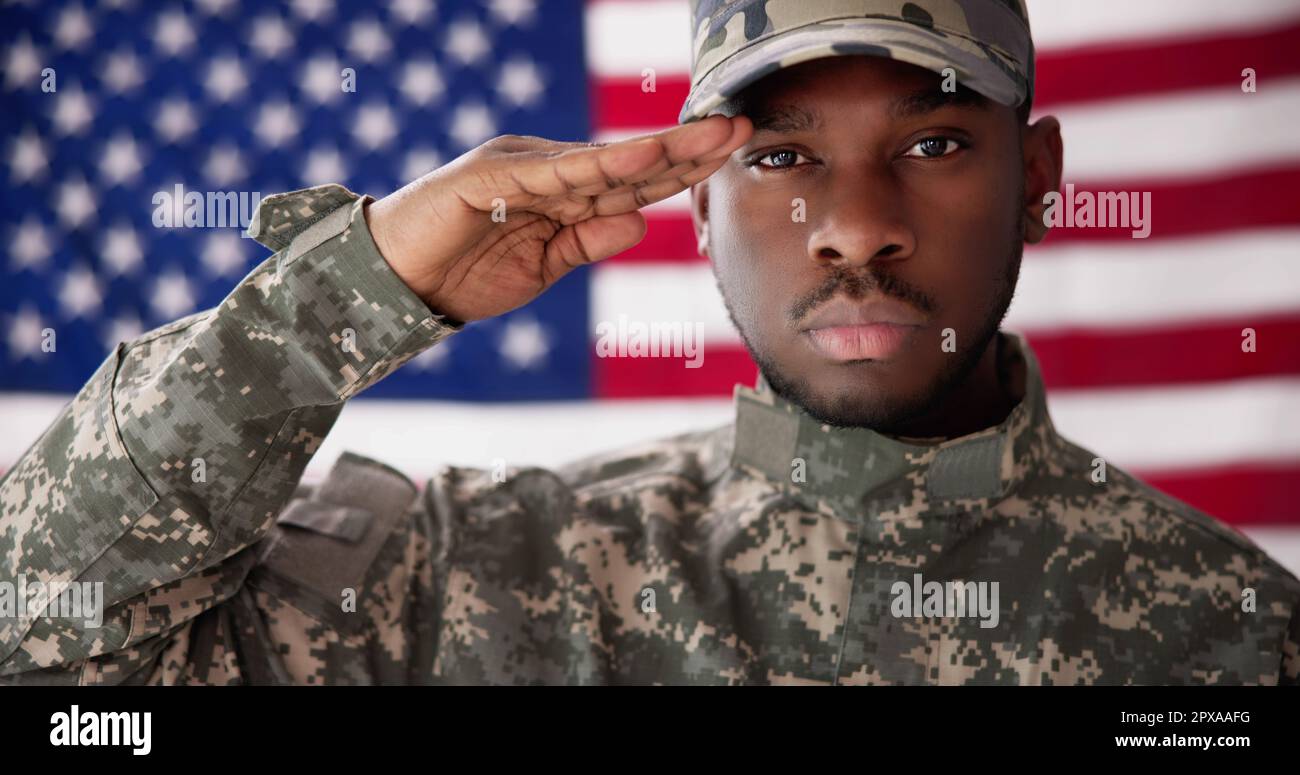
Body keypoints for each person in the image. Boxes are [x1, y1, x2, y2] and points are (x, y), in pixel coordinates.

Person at [2, 0, 1296, 685]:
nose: (855, 227)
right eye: (781, 154)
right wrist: (349, 291)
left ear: (1040, 175)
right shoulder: (468, 580)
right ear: (700, 199)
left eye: (935, 144)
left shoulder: (1230, 639)